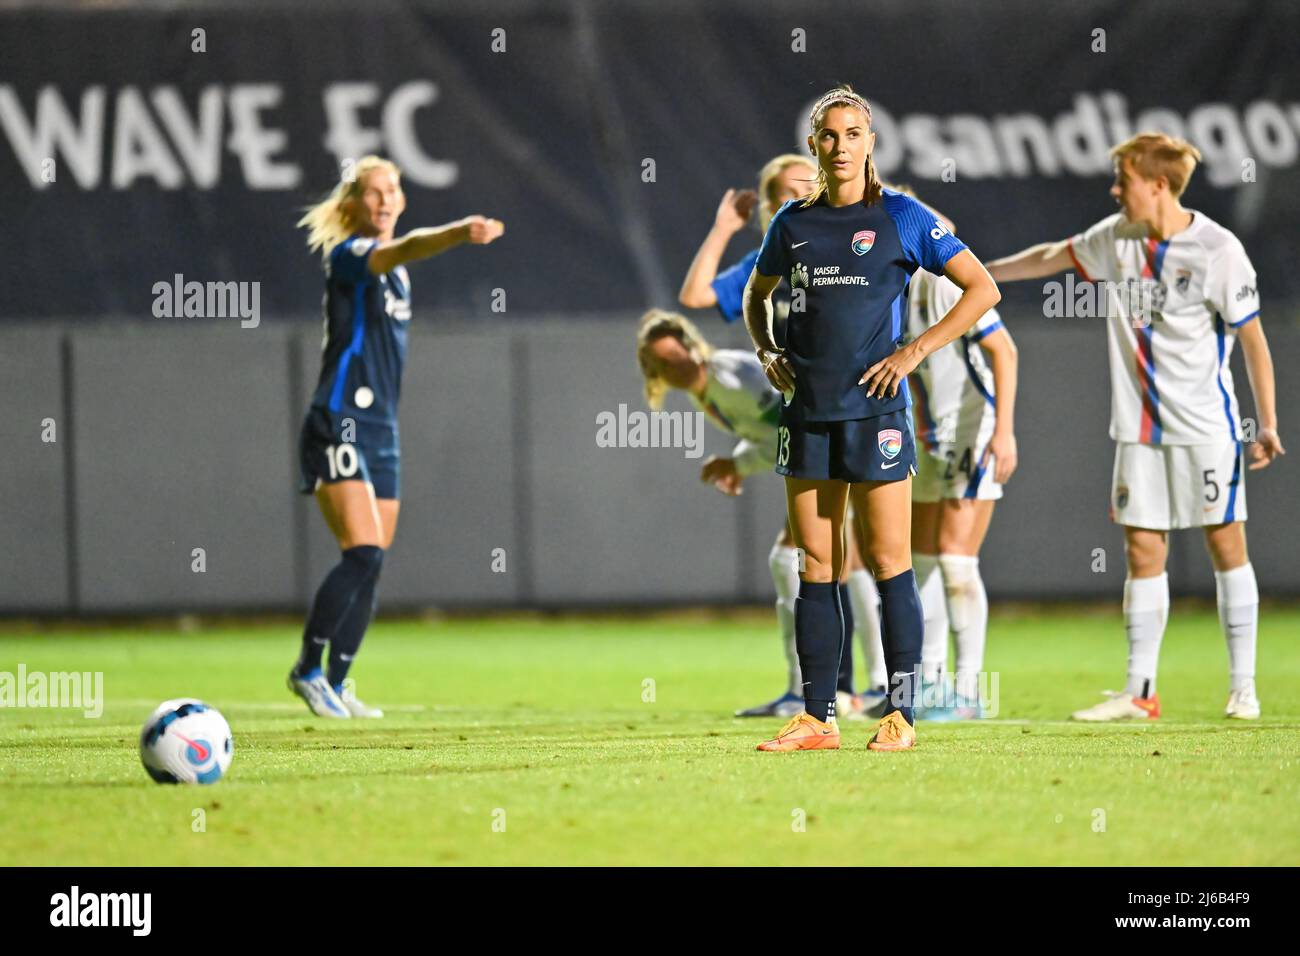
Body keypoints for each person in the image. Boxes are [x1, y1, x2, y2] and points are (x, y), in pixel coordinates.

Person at [986, 133, 1283, 721]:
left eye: (1123, 179)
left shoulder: (1217, 250)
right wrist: (974, 274)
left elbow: (1253, 339)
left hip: (1205, 429)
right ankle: (1140, 691)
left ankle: (1243, 686)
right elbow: (1051, 256)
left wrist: (1266, 421)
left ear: (1159, 185)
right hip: (1138, 433)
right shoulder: (1114, 238)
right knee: (1142, 550)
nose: (1114, 189)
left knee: (1226, 545)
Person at [743, 85, 1000, 752]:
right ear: (814, 145)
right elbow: (755, 294)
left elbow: (983, 288)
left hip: (878, 416)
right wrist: (768, 348)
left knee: (890, 564)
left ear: (870, 143)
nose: (840, 145)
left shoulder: (903, 216)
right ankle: (818, 718)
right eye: (828, 135)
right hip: (807, 415)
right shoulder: (792, 224)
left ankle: (901, 715)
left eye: (852, 133)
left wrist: (915, 350)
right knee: (815, 565)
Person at [289, 155, 503, 717]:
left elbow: (402, 257)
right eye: (373, 192)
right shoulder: (353, 255)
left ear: (402, 199)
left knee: (373, 560)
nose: (384, 200)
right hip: (338, 420)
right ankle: (308, 668)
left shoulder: (398, 274)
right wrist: (459, 233)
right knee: (360, 553)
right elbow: (402, 248)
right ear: (352, 205)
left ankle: (337, 681)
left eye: (392, 190)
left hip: (381, 429)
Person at [678, 155, 888, 717]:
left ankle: (860, 687)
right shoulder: (775, 250)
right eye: (786, 191)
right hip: (808, 411)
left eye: (808, 182)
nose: (803, 192)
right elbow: (697, 297)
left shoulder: (856, 236)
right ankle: (847, 688)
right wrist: (724, 227)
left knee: (851, 554)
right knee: (830, 554)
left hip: (864, 404)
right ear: (768, 206)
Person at [902, 198, 1019, 721]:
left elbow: (1004, 351)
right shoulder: (887, 291)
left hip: (972, 428)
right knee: (920, 559)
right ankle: (928, 682)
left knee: (954, 557)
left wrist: (1005, 434)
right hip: (927, 437)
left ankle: (969, 689)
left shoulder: (943, 281)